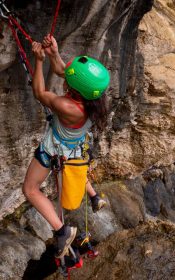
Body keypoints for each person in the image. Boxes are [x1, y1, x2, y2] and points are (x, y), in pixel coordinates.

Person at [22, 34, 109, 258]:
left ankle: (62, 231)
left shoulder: (67, 106)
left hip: (53, 149)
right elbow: (65, 73)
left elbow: (40, 93)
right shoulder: (94, 98)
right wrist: (54, 54)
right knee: (73, 173)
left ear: (75, 89)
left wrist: (40, 60)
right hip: (74, 146)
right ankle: (94, 196)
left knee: (30, 190)